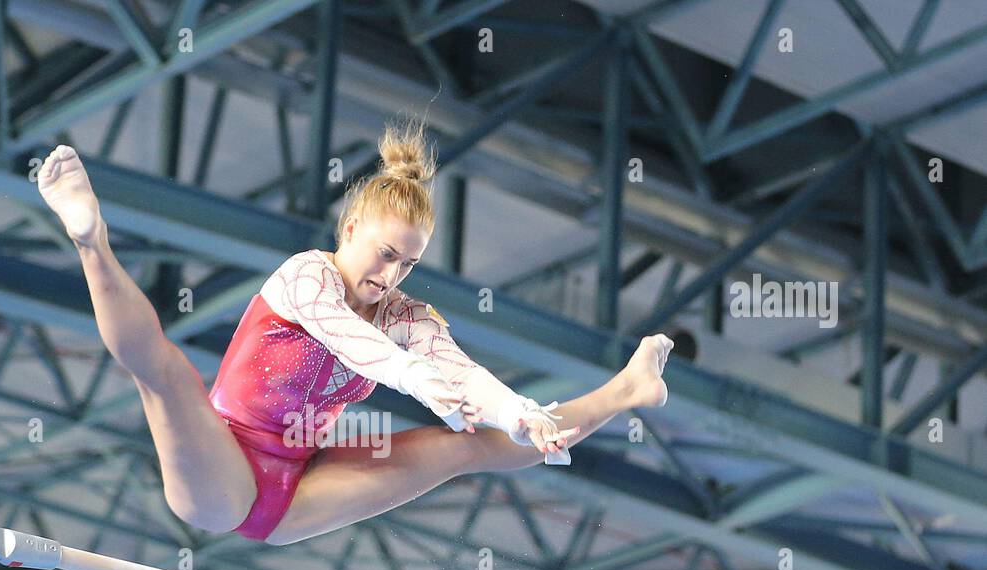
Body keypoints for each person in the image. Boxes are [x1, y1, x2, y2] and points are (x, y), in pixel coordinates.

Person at [36, 120, 672, 546]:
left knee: (467, 446)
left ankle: (625, 391)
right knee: (166, 374)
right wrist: (416, 376)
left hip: (299, 490)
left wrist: (518, 412)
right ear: (348, 231)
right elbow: (346, 337)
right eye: (385, 252)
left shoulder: (404, 317)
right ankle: (91, 240)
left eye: (409, 264)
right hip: (221, 475)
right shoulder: (304, 277)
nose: (391, 273)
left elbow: (463, 374)